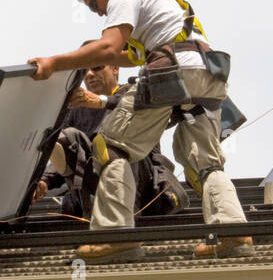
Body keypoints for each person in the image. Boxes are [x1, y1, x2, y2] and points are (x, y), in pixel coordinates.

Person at [28, 0, 253, 262]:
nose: (97, 13)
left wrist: (55, 63)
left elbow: (108, 48)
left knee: (111, 147)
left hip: (172, 72)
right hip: (207, 72)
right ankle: (232, 231)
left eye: (94, 4)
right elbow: (131, 56)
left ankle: (114, 236)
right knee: (205, 160)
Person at [32, 51, 185, 221]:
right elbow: (66, 150)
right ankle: (97, 223)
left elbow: (133, 108)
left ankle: (121, 225)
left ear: (115, 68)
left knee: (113, 148)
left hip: (139, 180)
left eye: (96, 67)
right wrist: (44, 181)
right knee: (65, 137)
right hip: (93, 183)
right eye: (84, 71)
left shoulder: (134, 94)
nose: (89, 74)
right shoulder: (75, 111)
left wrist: (100, 101)